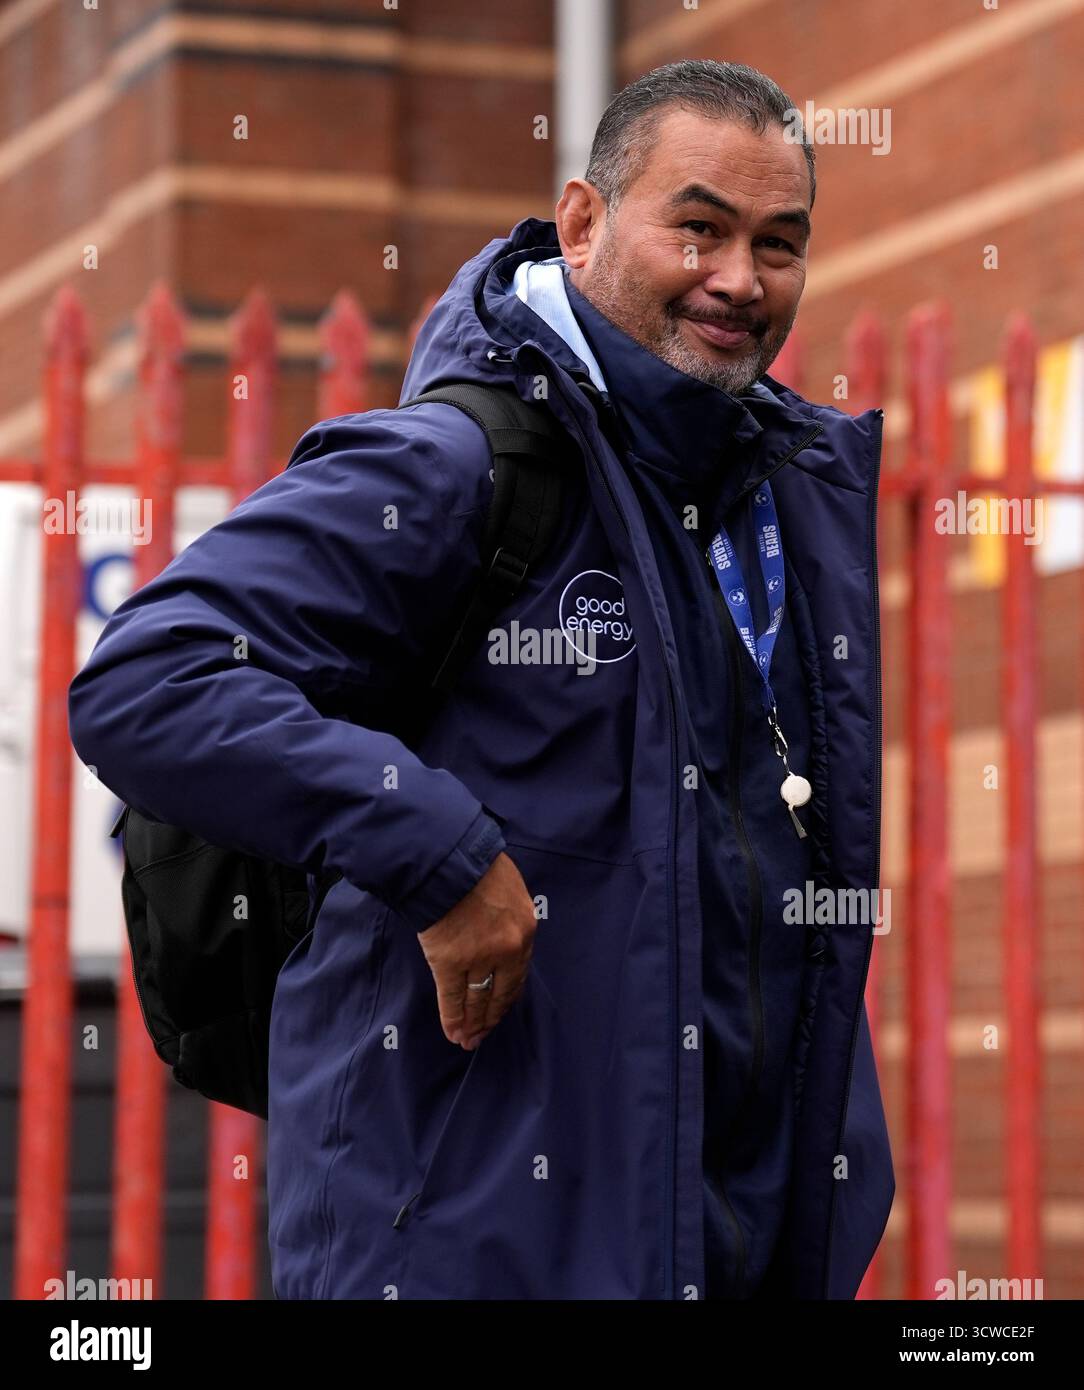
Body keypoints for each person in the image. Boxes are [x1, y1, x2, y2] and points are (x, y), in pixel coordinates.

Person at [68, 58, 894, 1300]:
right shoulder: (460, 460)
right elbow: (149, 676)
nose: (740, 280)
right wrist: (436, 850)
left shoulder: (783, 497)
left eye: (779, 243)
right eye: (700, 226)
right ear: (581, 222)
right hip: (476, 1249)